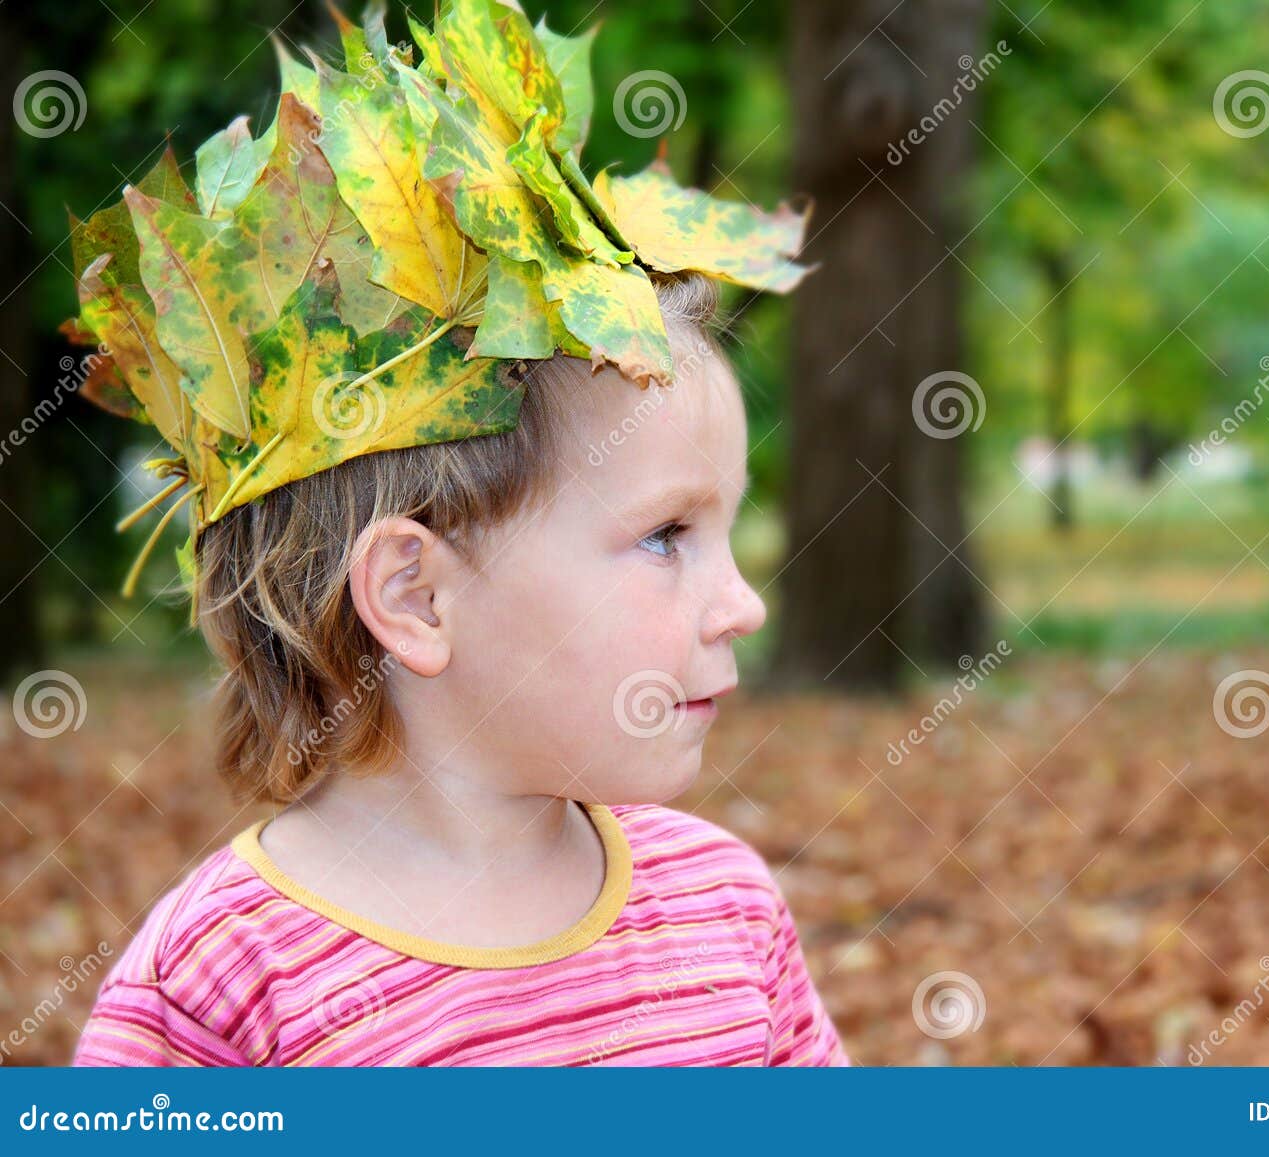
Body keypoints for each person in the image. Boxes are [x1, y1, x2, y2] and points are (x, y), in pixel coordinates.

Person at [68, 0, 845, 1067]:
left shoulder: (722, 914)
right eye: (668, 534)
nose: (743, 600)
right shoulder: (224, 986)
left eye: (724, 528)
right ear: (416, 596)